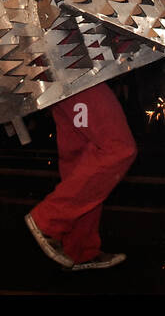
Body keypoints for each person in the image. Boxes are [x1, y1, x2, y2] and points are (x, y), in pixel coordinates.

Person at [25, 81, 135, 270]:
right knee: (118, 148)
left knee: (81, 156)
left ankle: (78, 249)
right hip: (77, 69)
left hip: (60, 73)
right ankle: (48, 220)